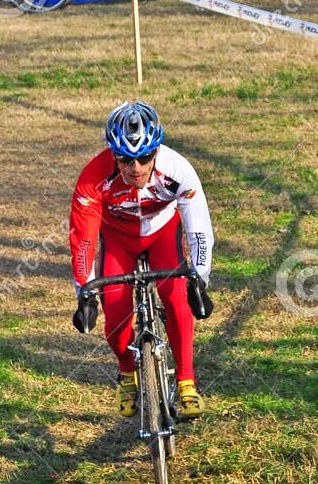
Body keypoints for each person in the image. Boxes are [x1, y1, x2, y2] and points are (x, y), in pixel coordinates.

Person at [69, 101, 214, 420]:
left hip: (163, 234)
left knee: (177, 298)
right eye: (125, 159)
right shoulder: (93, 178)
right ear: (113, 153)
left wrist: (199, 279)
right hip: (118, 241)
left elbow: (199, 230)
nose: (136, 168)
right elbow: (83, 241)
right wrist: (86, 292)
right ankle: (127, 374)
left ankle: (186, 380)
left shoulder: (178, 170)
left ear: (156, 151)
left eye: (145, 157)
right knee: (117, 313)